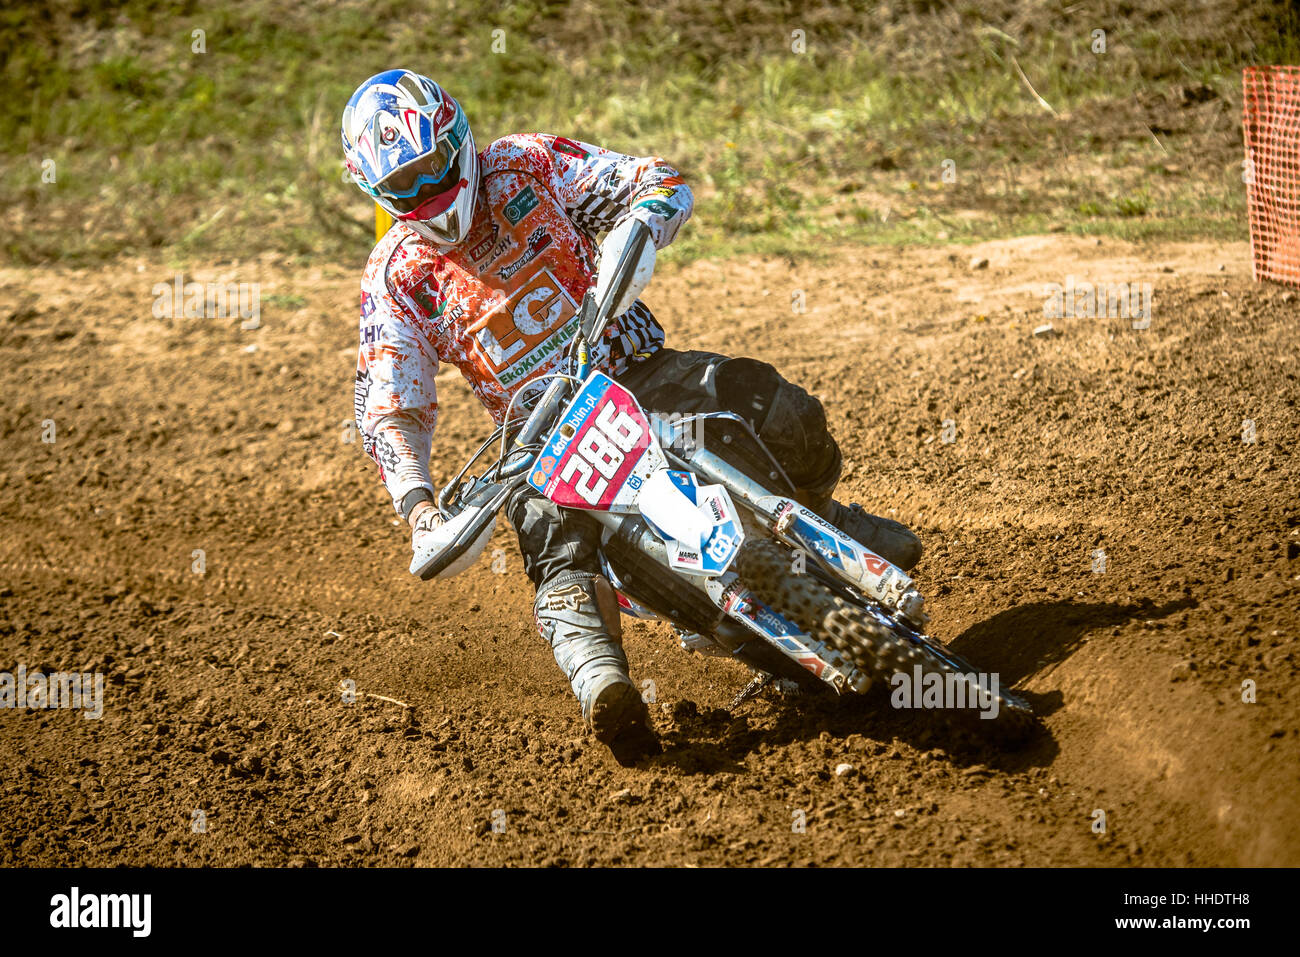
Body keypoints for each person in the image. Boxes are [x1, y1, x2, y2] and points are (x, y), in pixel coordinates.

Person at [343, 70, 922, 761]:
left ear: (458, 139)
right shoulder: (396, 276)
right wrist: (419, 508)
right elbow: (391, 403)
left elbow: (654, 181)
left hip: (630, 366)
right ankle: (602, 681)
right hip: (537, 441)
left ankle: (829, 520)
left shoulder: (525, 164)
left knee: (773, 403)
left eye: (434, 166)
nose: (427, 191)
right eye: (404, 185)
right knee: (552, 543)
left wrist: (640, 226)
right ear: (377, 193)